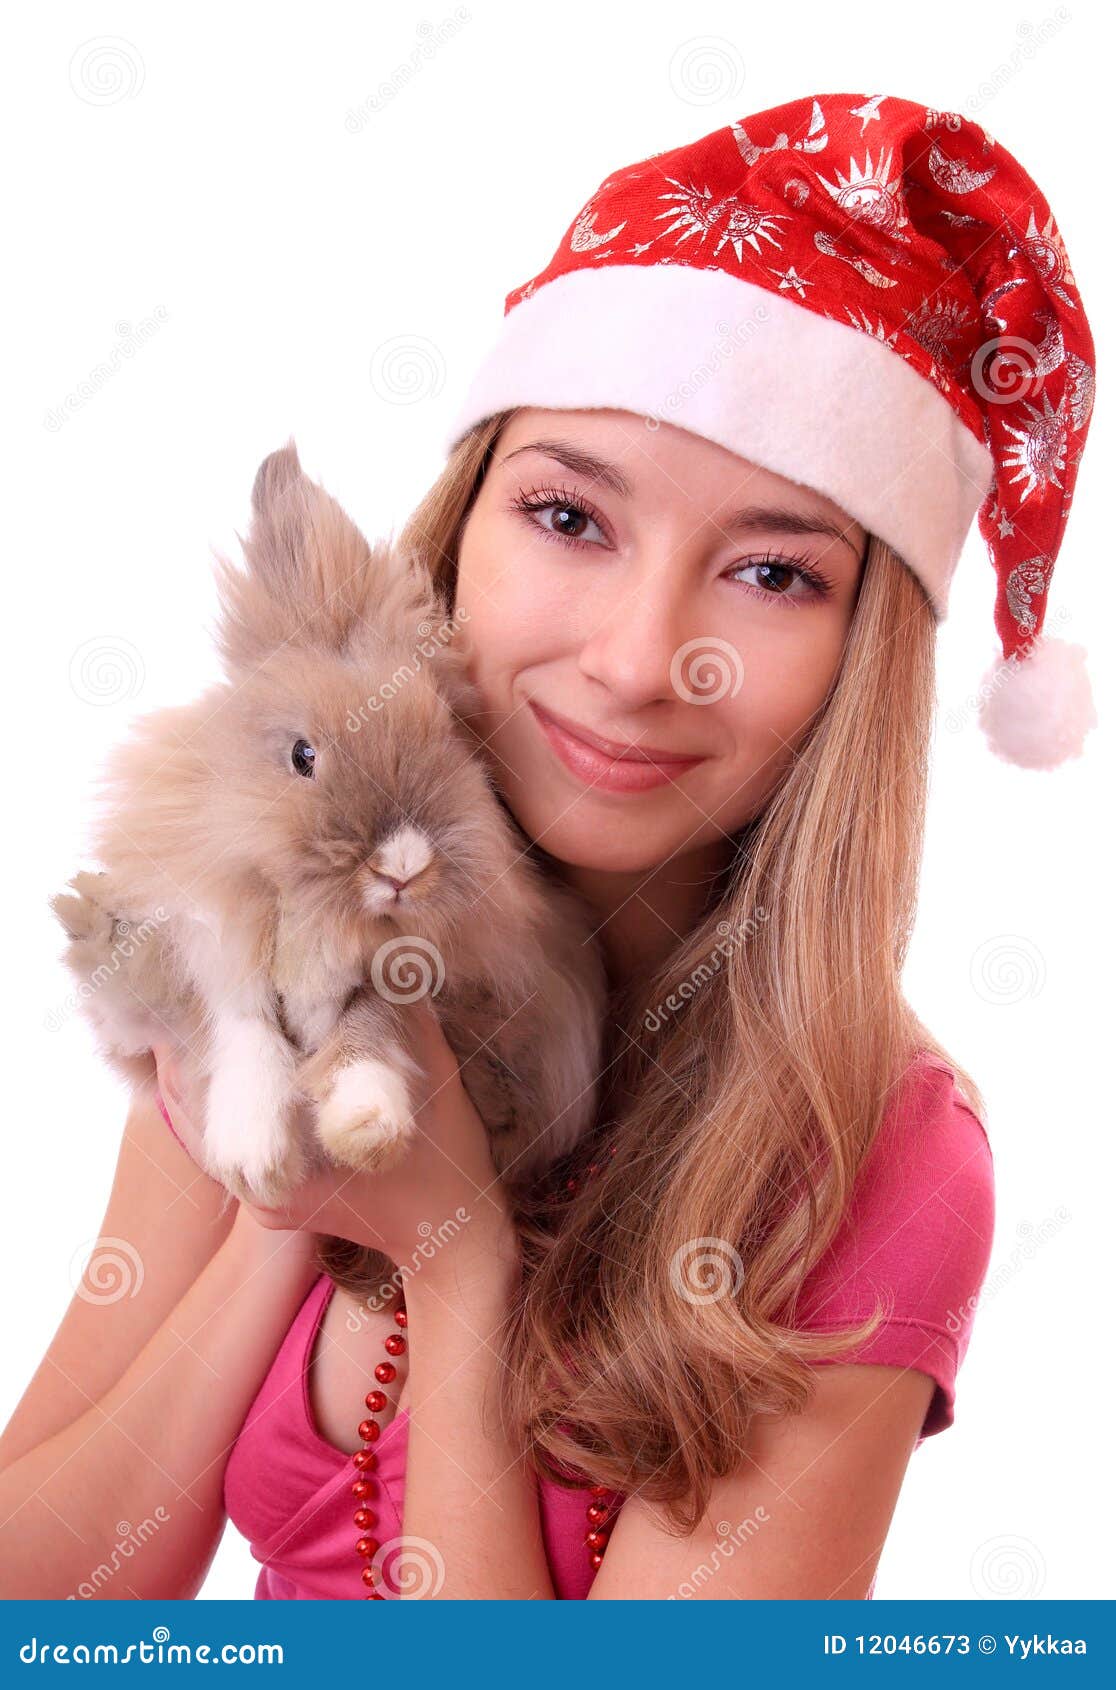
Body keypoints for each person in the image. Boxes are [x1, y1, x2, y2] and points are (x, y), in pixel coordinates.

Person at [1, 89, 1094, 1601]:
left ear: (863, 655)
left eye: (774, 570)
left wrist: (454, 1261)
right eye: (572, 518)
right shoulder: (272, 923)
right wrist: (288, 1219)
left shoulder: (876, 1162)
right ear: (460, 530)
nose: (644, 660)